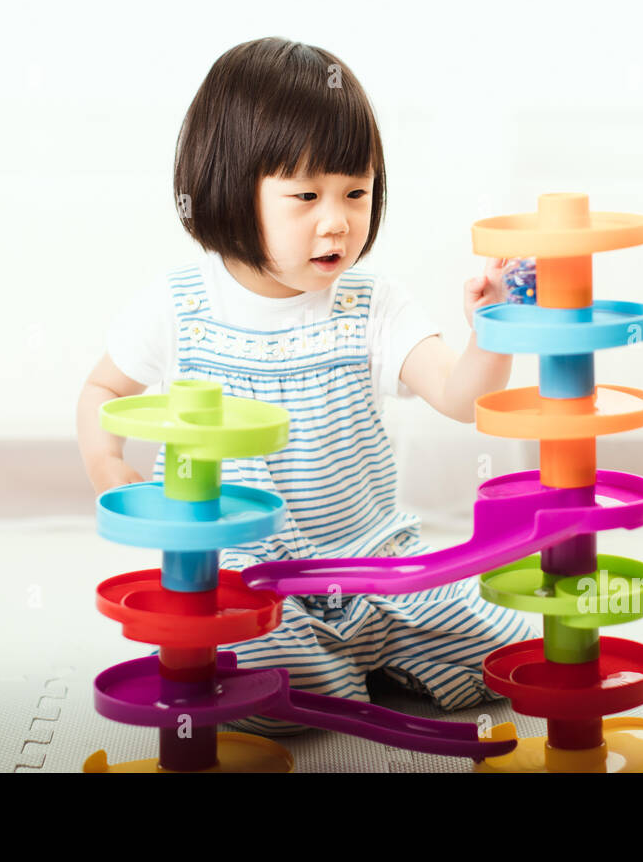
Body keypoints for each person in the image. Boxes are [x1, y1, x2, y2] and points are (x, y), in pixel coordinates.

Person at [76, 36, 536, 735]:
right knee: (257, 678)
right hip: (248, 577)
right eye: (306, 195)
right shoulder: (178, 309)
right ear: (230, 187)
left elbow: (460, 398)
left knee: (514, 653)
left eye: (356, 192)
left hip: (374, 560)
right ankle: (341, 669)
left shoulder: (372, 305)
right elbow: (103, 393)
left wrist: (491, 332)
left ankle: (370, 654)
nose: (338, 220)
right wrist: (109, 466)